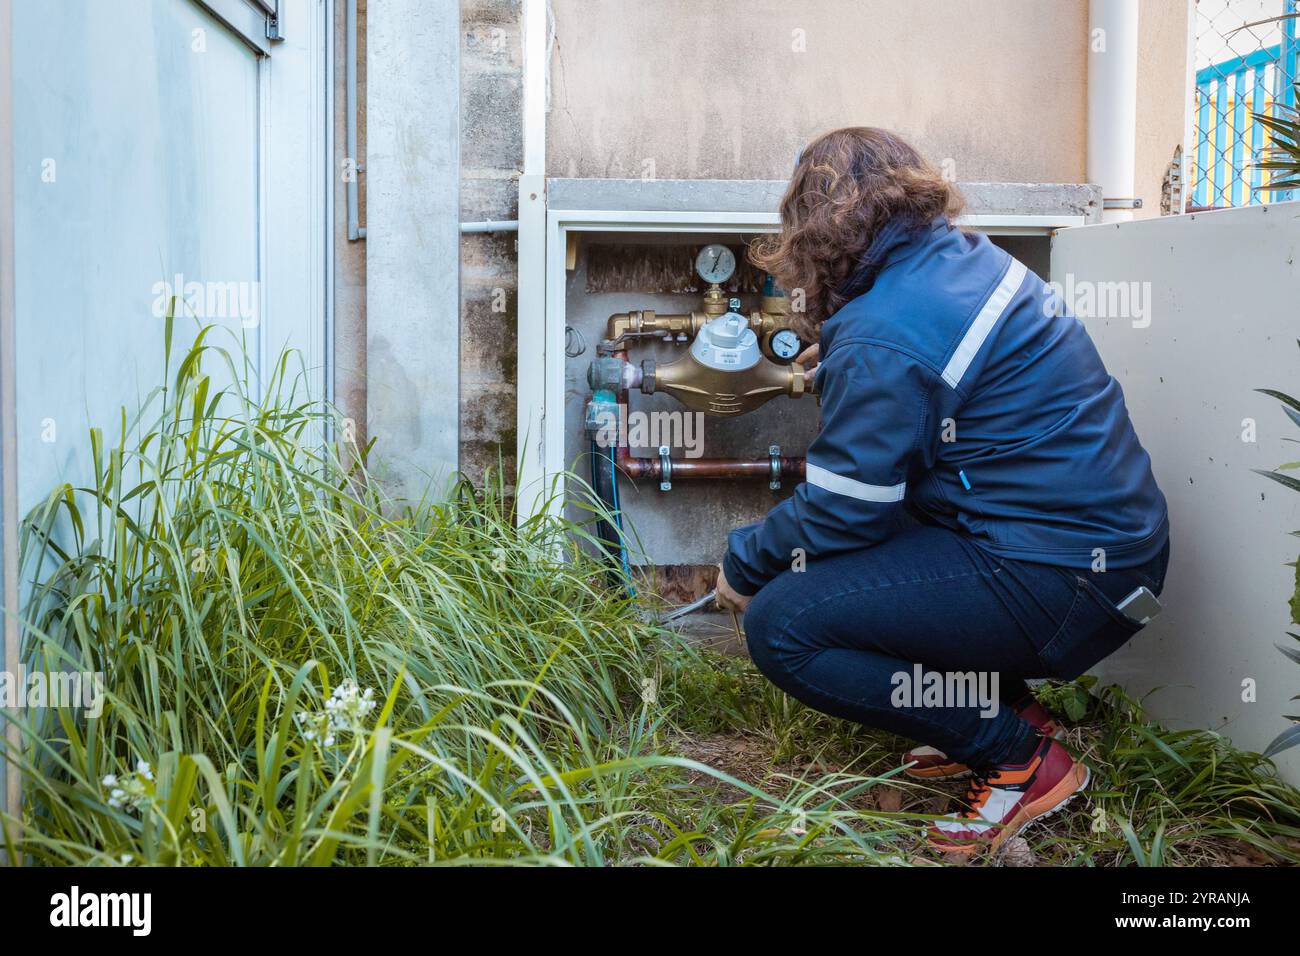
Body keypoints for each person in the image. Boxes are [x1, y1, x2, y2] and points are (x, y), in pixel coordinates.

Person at [713, 127, 1169, 856]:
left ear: (814, 230)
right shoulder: (961, 260)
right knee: (865, 555)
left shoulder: (887, 328)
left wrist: (743, 565)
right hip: (1103, 558)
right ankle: (1013, 714)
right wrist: (860, 348)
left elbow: (842, 510)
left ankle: (1018, 758)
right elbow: (931, 367)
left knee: (784, 624)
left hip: (1062, 581)